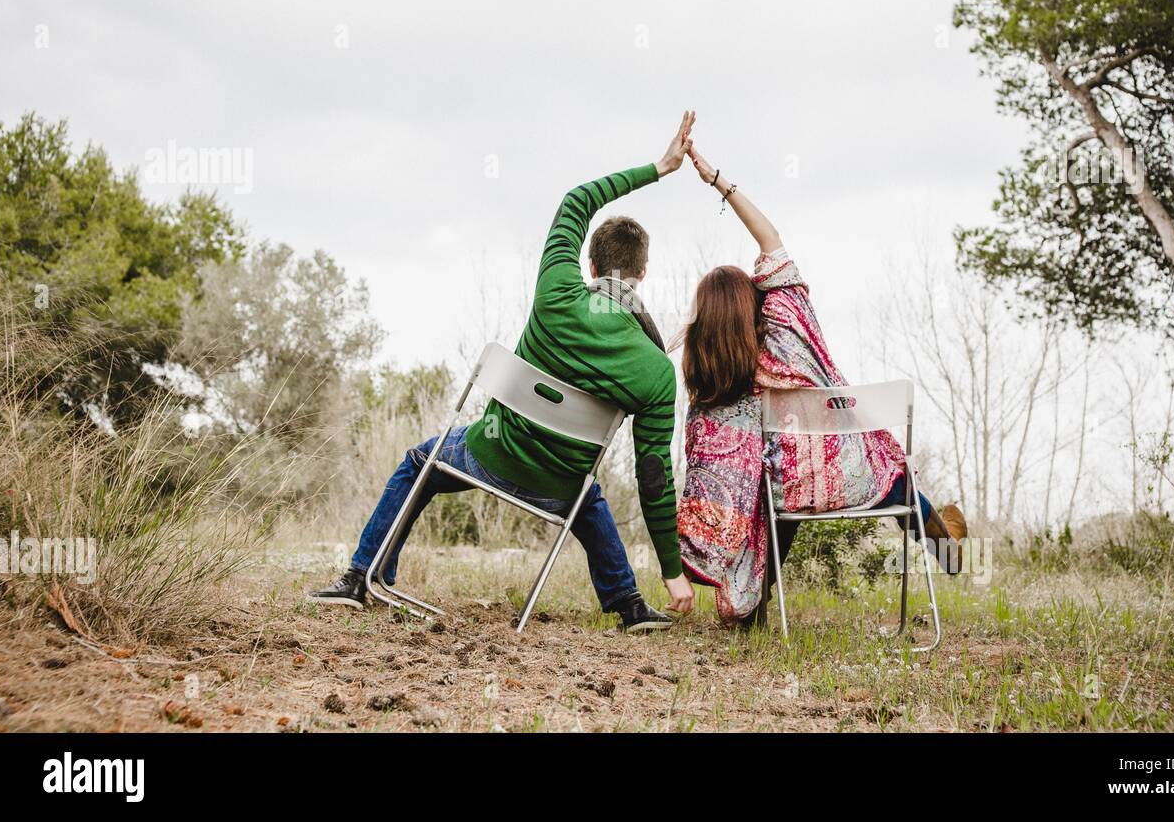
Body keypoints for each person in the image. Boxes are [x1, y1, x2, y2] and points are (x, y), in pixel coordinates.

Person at [310, 113, 698, 633]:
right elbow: (654, 477)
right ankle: (629, 606)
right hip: (561, 486)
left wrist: (660, 166)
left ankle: (361, 577)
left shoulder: (556, 291)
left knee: (418, 463)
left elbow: (577, 200)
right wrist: (672, 573)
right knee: (586, 490)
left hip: (491, 454)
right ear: (643, 274)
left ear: (587, 266)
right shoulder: (656, 370)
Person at [674, 142, 968, 624]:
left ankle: (754, 608)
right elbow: (773, 244)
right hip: (855, 481)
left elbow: (712, 482)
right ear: (759, 305)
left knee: (771, 490)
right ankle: (943, 540)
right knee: (894, 471)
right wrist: (719, 180)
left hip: (784, 496)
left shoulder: (714, 394)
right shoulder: (788, 333)